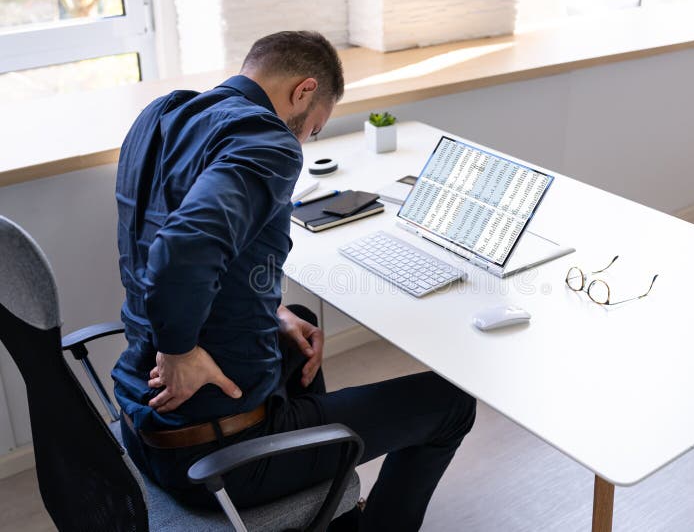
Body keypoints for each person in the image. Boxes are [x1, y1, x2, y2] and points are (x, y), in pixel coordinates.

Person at [112, 31, 476, 531]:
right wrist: (178, 351)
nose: (304, 140)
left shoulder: (161, 115)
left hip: (142, 416)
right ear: (304, 91)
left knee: (299, 324)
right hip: (214, 455)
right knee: (451, 404)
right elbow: (182, 249)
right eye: (313, 128)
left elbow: (155, 239)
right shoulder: (267, 139)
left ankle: (329, 509)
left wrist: (274, 312)